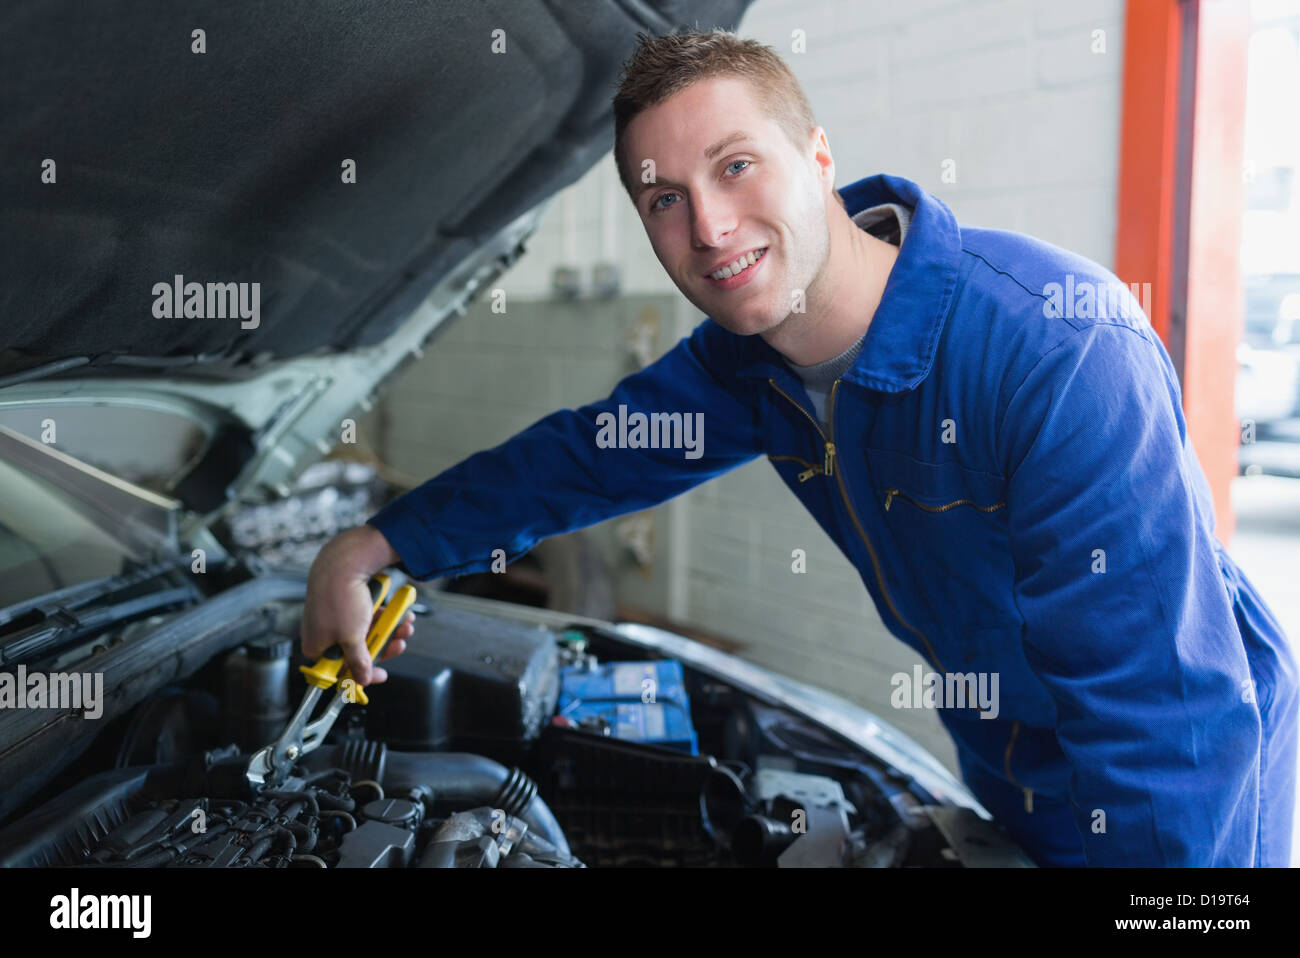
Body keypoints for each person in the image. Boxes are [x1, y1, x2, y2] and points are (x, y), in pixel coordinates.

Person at [302, 29, 1297, 867]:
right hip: (1008, 759)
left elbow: (1159, 728)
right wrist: (375, 545)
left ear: (817, 157)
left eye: (735, 166)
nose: (709, 225)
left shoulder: (1054, 354)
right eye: (663, 198)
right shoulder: (746, 362)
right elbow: (583, 457)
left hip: (1185, 790)